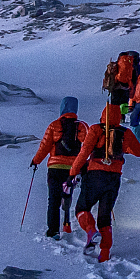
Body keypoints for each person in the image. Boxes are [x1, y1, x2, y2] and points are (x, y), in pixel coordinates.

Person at [72, 103, 140, 261]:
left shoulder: (96, 129)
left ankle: (90, 230)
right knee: (105, 216)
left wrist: (73, 171)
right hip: (114, 178)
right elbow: (139, 152)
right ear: (118, 116)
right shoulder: (126, 132)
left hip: (95, 174)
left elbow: (85, 152)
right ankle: (104, 253)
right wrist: (124, 149)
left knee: (82, 208)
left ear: (103, 115)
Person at [29, 97, 84, 237]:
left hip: (55, 167)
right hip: (72, 169)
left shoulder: (54, 125)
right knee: (67, 195)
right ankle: (67, 224)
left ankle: (53, 231)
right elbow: (89, 145)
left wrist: (36, 161)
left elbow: (44, 146)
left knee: (53, 200)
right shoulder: (81, 126)